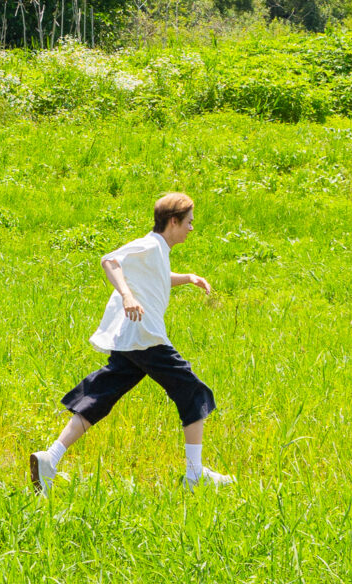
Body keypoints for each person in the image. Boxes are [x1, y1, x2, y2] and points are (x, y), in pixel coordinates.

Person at [29, 191, 233, 491]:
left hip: (131, 339)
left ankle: (50, 458)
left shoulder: (158, 251)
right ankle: (194, 474)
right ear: (173, 221)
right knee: (193, 391)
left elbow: (156, 277)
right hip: (145, 336)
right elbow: (110, 260)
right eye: (189, 222)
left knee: (101, 395)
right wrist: (127, 295)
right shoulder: (150, 244)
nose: (192, 228)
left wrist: (187, 277)